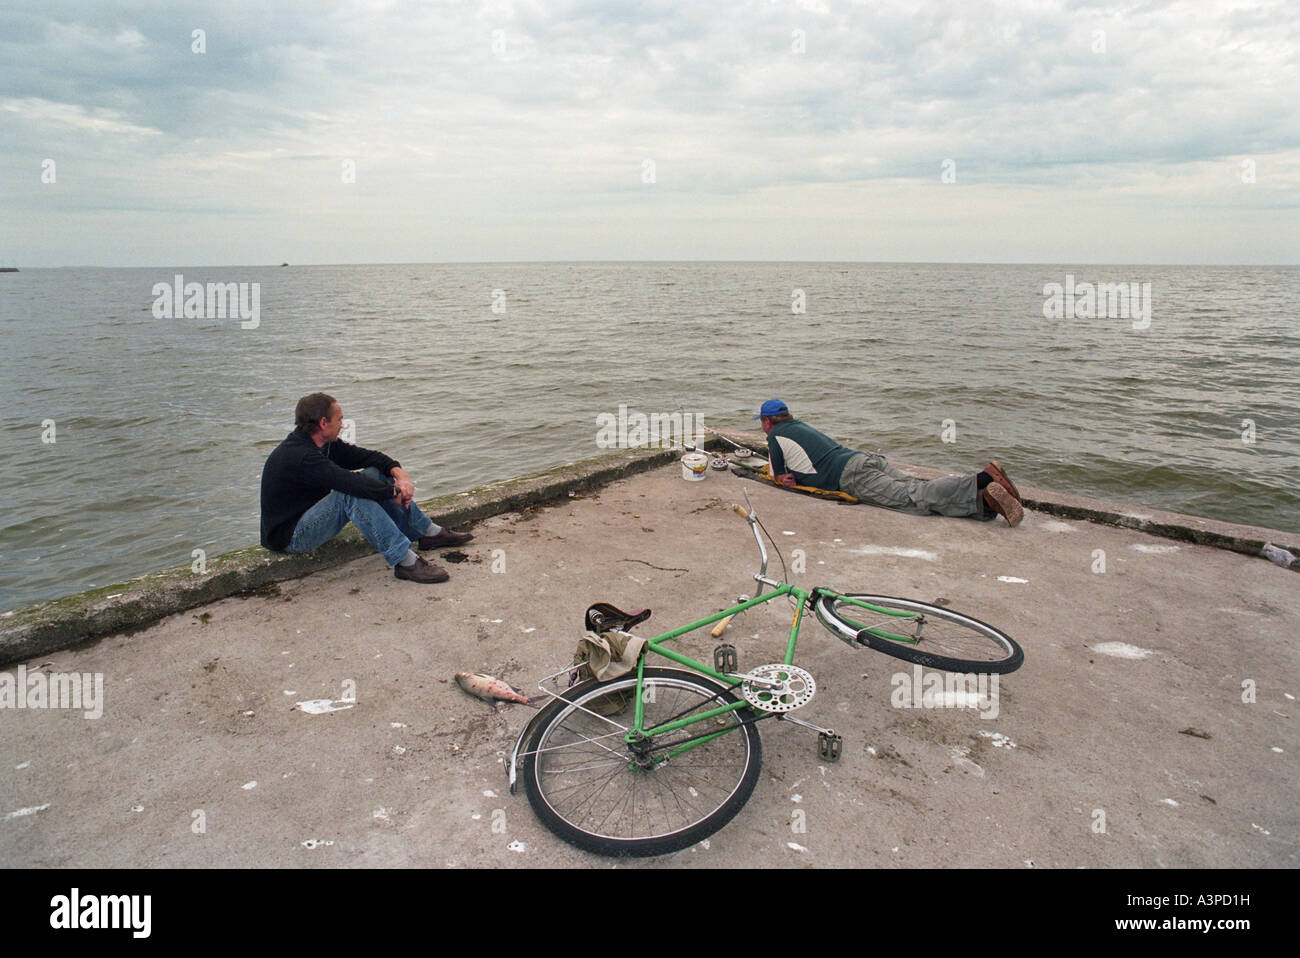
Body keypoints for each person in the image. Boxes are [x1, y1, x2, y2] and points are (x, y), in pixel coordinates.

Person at [260, 393, 473, 583]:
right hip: (292, 536)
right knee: (350, 495)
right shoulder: (301, 456)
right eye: (339, 419)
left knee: (374, 472)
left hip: (312, 516)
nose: (342, 424)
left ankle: (426, 533)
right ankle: (404, 561)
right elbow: (349, 483)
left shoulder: (323, 444)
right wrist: (393, 493)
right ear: (324, 423)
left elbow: (370, 458)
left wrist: (400, 476)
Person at [754, 399, 1024, 526]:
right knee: (917, 488)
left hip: (851, 477)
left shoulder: (775, 435)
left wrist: (784, 477)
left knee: (913, 496)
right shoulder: (800, 426)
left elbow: (782, 478)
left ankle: (984, 478)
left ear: (767, 422)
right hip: (863, 459)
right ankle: (984, 501)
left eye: (763, 424)